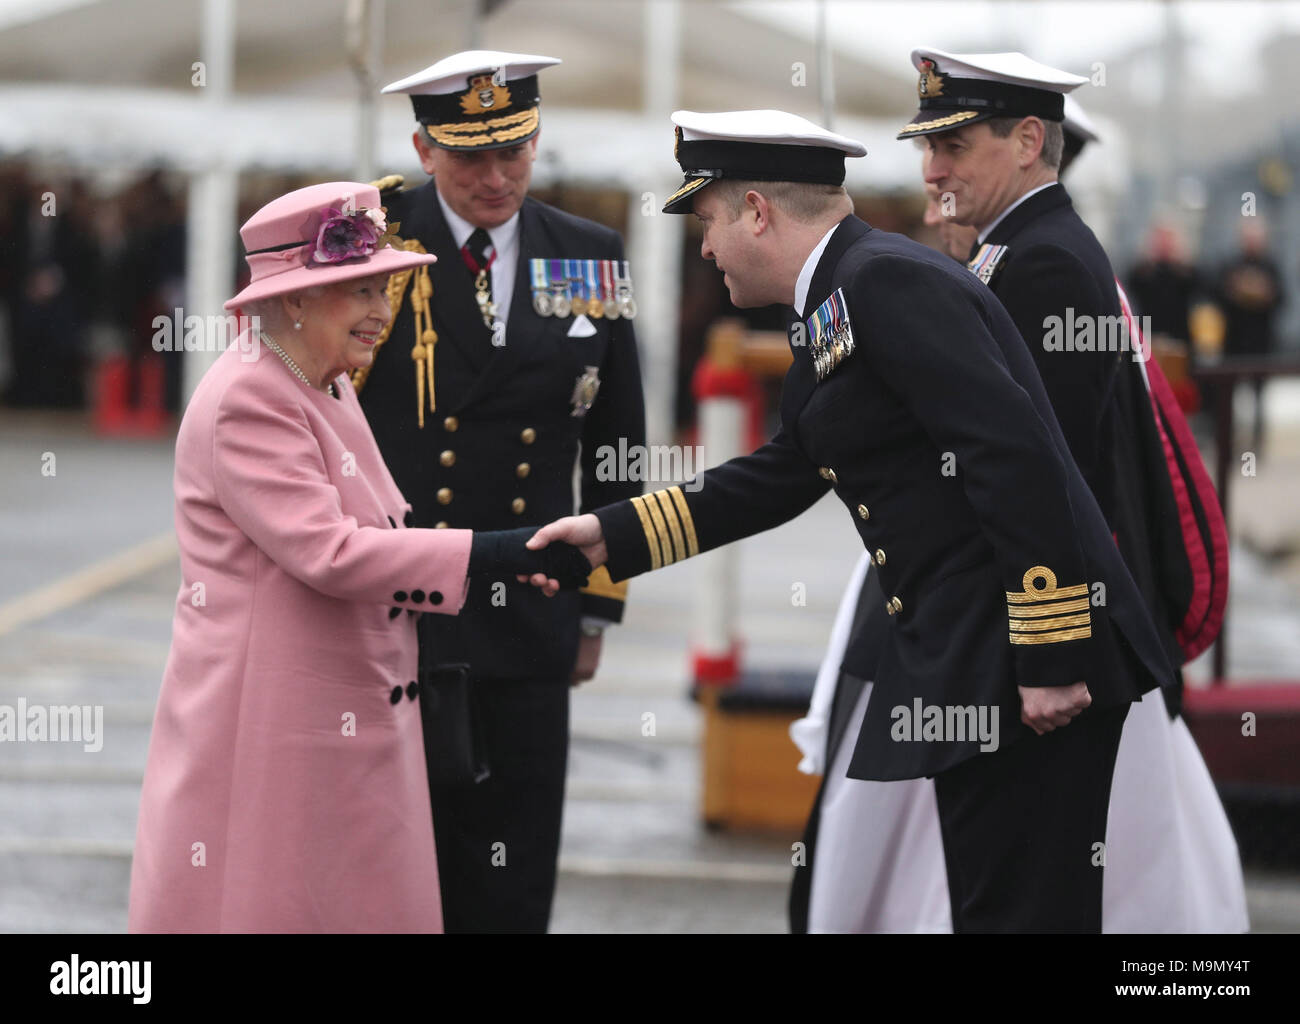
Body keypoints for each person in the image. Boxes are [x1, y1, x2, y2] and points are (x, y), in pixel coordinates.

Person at [527, 108, 1176, 933]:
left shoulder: (883, 283)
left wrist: (1050, 651)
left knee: (1024, 915)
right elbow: (786, 471)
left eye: (710, 221)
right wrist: (612, 536)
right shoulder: (844, 292)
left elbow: (1014, 457)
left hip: (1019, 666)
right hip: (978, 662)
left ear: (757, 211)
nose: (705, 248)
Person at [789, 71, 1247, 933]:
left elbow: (1038, 478)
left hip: (1013, 633)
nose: (930, 167)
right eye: (926, 145)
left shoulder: (1044, 265)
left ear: (1030, 141)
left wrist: (1042, 655)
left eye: (952, 145)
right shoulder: (1015, 251)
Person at [127, 181, 589, 933]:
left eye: (386, 288)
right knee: (271, 906)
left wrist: (502, 558)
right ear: (296, 300)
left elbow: (377, 524)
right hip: (274, 721)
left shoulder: (315, 378)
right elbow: (331, 552)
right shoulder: (253, 396)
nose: (384, 311)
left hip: (335, 710)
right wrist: (497, 554)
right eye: (361, 291)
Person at [356, 50, 646, 933]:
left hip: (534, 595)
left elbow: (617, 443)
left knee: (515, 861)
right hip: (399, 596)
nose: (495, 176)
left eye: (512, 151)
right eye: (469, 157)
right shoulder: (371, 238)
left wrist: (600, 607)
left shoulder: (587, 253)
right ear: (423, 146)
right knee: (396, 852)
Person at [1216, 219, 1284, 456]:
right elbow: (1220, 297)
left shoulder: (1271, 266)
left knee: (1258, 398)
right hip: (1235, 343)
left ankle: (1257, 446)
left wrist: (1258, 293)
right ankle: (1229, 444)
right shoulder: (1231, 264)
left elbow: (1280, 299)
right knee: (1228, 399)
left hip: (1260, 344)